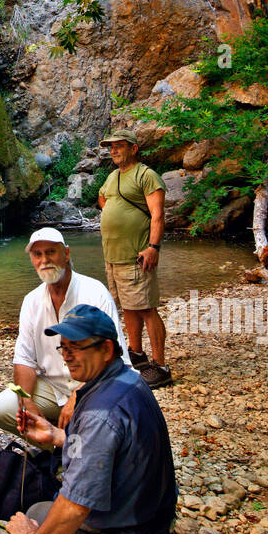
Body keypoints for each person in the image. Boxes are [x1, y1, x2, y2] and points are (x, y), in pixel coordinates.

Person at [5, 305, 215, 534]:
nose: (67, 356)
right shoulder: (128, 381)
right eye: (64, 347)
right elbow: (112, 450)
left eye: (77, 347)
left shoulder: (101, 412)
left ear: (106, 349)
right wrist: (58, 435)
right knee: (44, 511)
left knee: (38, 515)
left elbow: (74, 507)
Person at [0, 227, 130, 439]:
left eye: (51, 252)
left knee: (103, 415)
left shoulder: (95, 292)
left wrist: (79, 395)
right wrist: (26, 401)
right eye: (38, 254)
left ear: (66, 254)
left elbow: (115, 357)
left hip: (97, 384)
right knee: (2, 407)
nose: (44, 260)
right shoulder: (31, 301)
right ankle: (56, 449)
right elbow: (24, 360)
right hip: (54, 388)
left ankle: (81, 449)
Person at [97, 129, 172, 389]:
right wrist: (114, 214)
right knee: (129, 306)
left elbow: (158, 215)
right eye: (111, 147)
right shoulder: (113, 177)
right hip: (114, 256)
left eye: (119, 146)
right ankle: (137, 353)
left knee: (146, 308)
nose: (114, 151)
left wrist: (153, 247)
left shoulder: (147, 175)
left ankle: (160, 366)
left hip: (137, 255)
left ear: (133, 148)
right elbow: (102, 197)